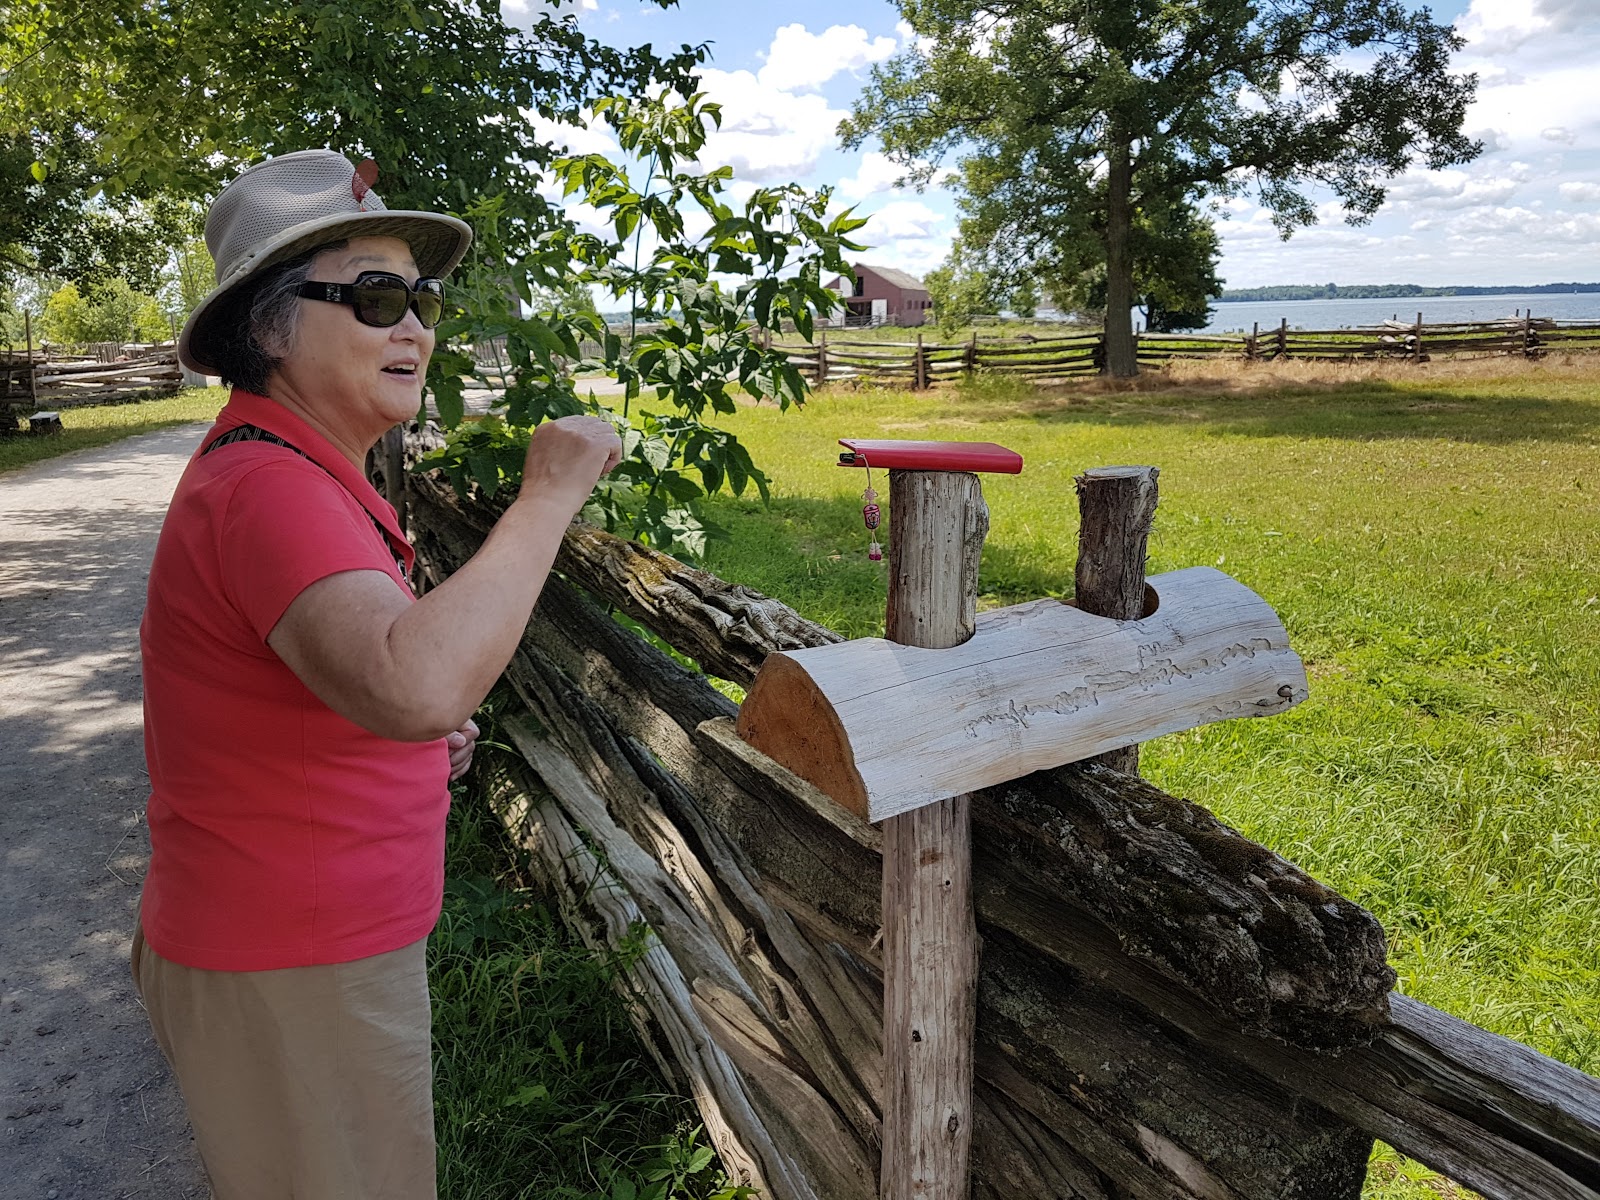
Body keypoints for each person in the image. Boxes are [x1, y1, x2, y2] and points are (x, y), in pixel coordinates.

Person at [133, 149, 621, 1199]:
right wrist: (547, 496)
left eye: (422, 298)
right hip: (294, 959)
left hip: (296, 947)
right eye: (375, 296)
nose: (415, 326)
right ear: (266, 326)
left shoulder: (291, 467)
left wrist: (386, 739)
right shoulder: (270, 485)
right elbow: (413, 682)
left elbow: (350, 681)